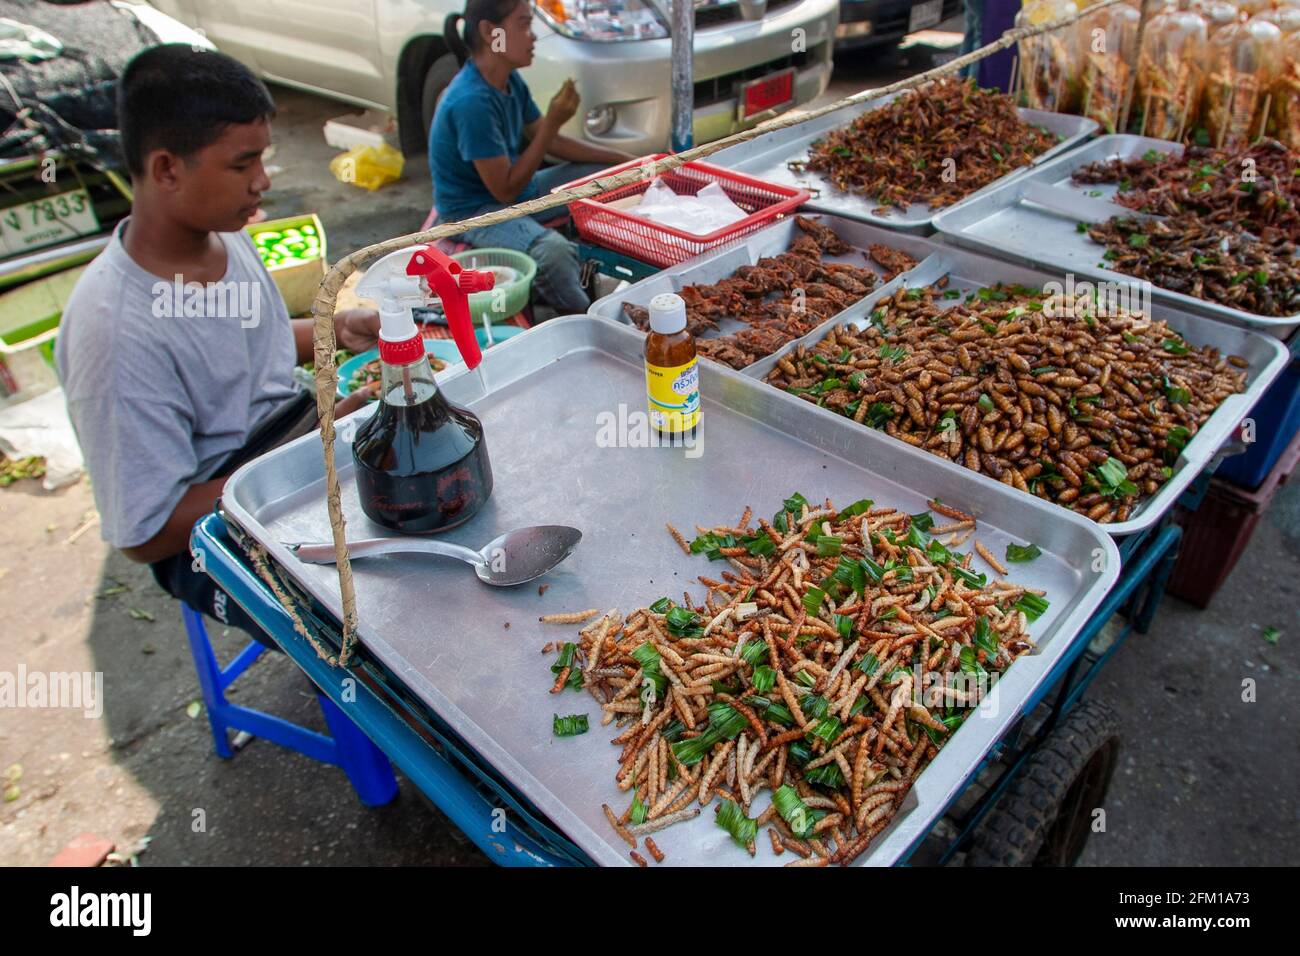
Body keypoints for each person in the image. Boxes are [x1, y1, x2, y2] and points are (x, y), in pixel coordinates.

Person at [56, 44, 381, 645]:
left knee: (441, 474)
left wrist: (335, 331)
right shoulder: (114, 334)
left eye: (263, 159)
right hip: (210, 531)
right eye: (242, 165)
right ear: (166, 170)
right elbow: (146, 534)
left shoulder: (222, 236)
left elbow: (241, 353)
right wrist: (314, 453)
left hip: (294, 440)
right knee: (376, 616)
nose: (262, 182)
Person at [429, 0, 634, 314]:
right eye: (524, 25)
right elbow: (505, 191)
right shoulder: (472, 102)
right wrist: (553, 121)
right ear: (490, 33)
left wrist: (622, 160)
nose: (533, 37)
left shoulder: (508, 80)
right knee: (553, 252)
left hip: (515, 192)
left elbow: (552, 144)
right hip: (474, 212)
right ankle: (588, 317)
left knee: (602, 176)